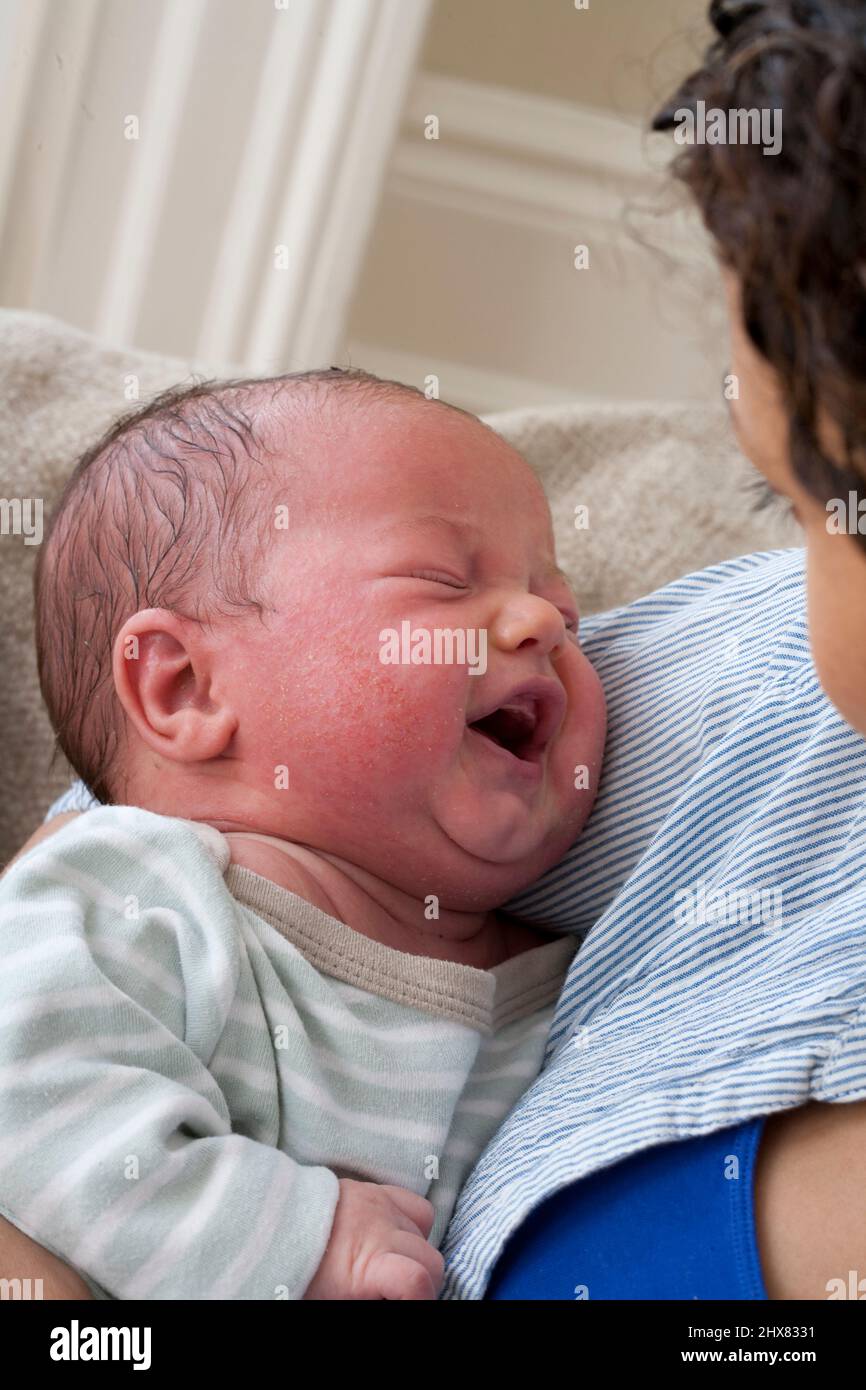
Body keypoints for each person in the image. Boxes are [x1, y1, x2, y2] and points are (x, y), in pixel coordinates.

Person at [0, 367, 605, 1299]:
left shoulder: (578, 992)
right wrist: (301, 1243)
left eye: (564, 613)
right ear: (184, 689)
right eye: (442, 580)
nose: (540, 624)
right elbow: (26, 1102)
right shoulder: (130, 893)